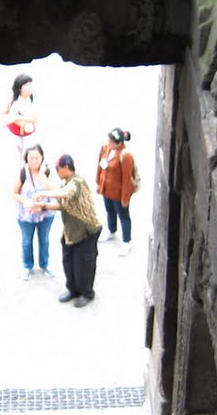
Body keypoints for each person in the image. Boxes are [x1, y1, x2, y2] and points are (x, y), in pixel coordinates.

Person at [31, 153, 101, 307]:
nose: (57, 171)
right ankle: (73, 290)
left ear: (66, 168)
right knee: (69, 263)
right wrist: (43, 206)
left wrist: (42, 193)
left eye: (58, 169)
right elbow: (63, 205)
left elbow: (64, 194)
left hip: (85, 231)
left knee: (84, 265)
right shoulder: (65, 182)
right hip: (70, 231)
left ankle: (87, 293)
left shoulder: (76, 182)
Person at [12, 143, 56, 280]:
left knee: (44, 240)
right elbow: (14, 193)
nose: (34, 161)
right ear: (26, 159)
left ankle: (45, 264)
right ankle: (27, 266)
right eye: (31, 158)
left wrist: (43, 177)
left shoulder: (47, 171)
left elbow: (54, 191)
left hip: (45, 213)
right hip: (26, 215)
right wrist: (25, 202)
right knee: (26, 241)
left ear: (42, 157)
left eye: (37, 157)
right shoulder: (23, 172)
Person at [96, 128, 137, 257]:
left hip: (118, 193)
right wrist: (98, 182)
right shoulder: (105, 149)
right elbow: (100, 166)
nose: (108, 143)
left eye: (111, 141)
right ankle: (111, 230)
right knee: (110, 211)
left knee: (123, 216)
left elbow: (126, 179)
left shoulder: (125, 156)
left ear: (119, 143)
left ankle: (126, 241)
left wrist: (125, 197)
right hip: (106, 190)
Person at [2, 73, 38, 153]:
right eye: (26, 85)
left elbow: (34, 119)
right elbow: (6, 118)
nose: (30, 87)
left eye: (30, 83)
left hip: (29, 136)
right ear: (19, 88)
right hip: (14, 136)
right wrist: (18, 119)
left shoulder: (33, 99)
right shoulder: (15, 101)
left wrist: (18, 118)